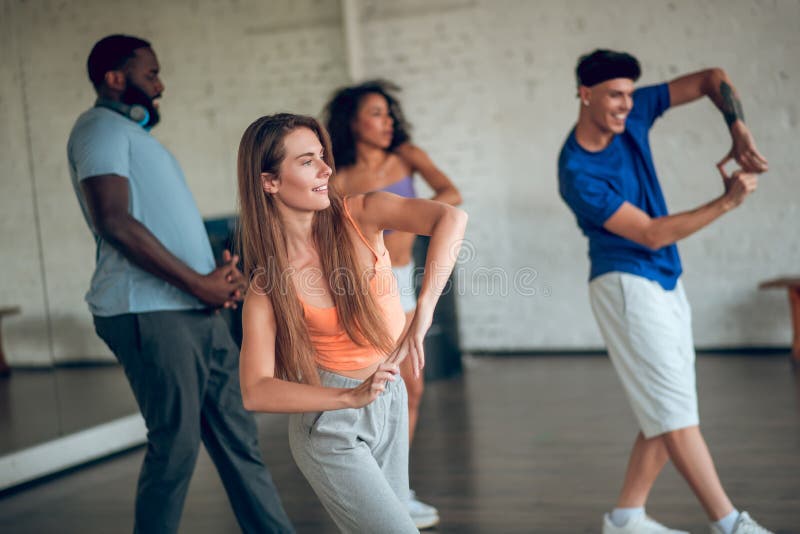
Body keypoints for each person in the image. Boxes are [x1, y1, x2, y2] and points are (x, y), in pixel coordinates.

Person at [67, 34, 293, 534]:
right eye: (151, 75)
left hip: (197, 309)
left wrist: (217, 274)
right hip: (148, 310)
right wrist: (198, 283)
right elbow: (114, 221)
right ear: (114, 78)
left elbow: (159, 221)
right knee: (176, 446)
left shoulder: (139, 140)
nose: (160, 85)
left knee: (240, 439)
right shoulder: (98, 130)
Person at [558, 50, 771, 534]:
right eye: (615, 95)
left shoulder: (631, 113)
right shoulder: (576, 171)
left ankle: (626, 518)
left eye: (631, 94)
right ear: (585, 94)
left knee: (669, 403)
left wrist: (736, 127)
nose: (626, 105)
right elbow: (651, 233)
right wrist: (728, 201)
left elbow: (711, 77)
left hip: (666, 279)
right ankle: (730, 523)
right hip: (625, 284)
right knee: (673, 410)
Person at [236, 113, 467, 534]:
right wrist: (348, 399)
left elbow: (450, 219)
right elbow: (255, 390)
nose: (326, 169)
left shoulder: (361, 213)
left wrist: (423, 315)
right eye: (307, 161)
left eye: (323, 157)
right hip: (330, 426)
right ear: (269, 181)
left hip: (388, 398)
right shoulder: (267, 287)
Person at [323, 80, 462, 529]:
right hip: (364, 289)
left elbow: (451, 193)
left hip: (403, 281)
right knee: (379, 386)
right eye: (376, 113)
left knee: (411, 387)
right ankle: (383, 490)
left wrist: (404, 221)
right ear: (352, 120)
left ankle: (398, 488)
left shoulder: (406, 157)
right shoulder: (339, 178)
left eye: (388, 113)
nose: (387, 122)